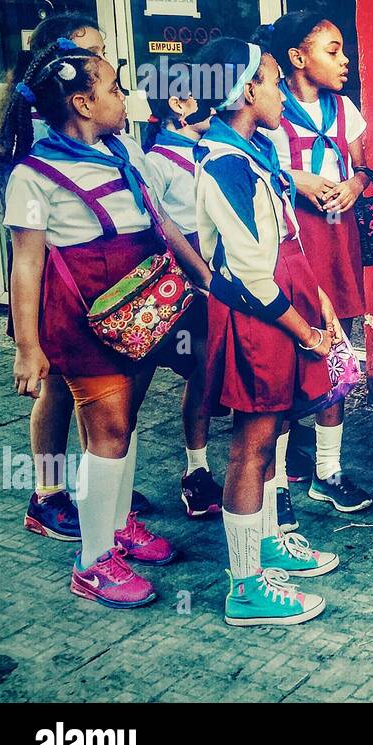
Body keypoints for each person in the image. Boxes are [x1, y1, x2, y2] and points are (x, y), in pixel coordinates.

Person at [0, 39, 209, 608]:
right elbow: (26, 265)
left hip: (141, 312)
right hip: (83, 322)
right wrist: (27, 348)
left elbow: (164, 223)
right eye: (114, 88)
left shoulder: (128, 153)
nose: (126, 98)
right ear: (83, 103)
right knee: (107, 432)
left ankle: (114, 528)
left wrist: (207, 279)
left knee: (124, 425)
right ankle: (92, 562)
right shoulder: (32, 178)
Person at [194, 38, 340, 626]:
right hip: (261, 316)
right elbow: (251, 273)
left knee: (274, 429)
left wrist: (320, 297)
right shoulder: (225, 164)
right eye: (275, 81)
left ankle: (269, 538)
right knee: (250, 446)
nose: (281, 92)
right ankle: (244, 584)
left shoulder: (253, 150)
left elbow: (285, 239)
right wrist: (305, 330)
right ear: (248, 91)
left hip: (283, 305)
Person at [257, 12, 372, 526]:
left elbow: (362, 167)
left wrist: (354, 186)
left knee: (337, 350)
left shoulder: (345, 109)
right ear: (298, 58)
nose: (344, 59)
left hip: (337, 239)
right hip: (292, 242)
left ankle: (329, 471)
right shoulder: (271, 113)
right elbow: (251, 168)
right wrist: (295, 179)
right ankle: (274, 479)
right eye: (333, 49)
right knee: (288, 353)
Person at [9, 14, 110, 543]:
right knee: (55, 391)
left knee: (91, 394)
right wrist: (27, 341)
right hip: (54, 292)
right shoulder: (36, 148)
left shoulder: (103, 141)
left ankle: (102, 482)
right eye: (89, 52)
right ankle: (47, 493)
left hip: (93, 292)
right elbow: (26, 255)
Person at [143, 80, 226, 519]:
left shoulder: (213, 149)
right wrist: (199, 276)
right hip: (192, 288)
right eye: (204, 96)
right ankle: (197, 469)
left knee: (224, 367)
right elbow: (158, 231)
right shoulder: (156, 163)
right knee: (200, 371)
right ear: (178, 105)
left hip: (226, 279)